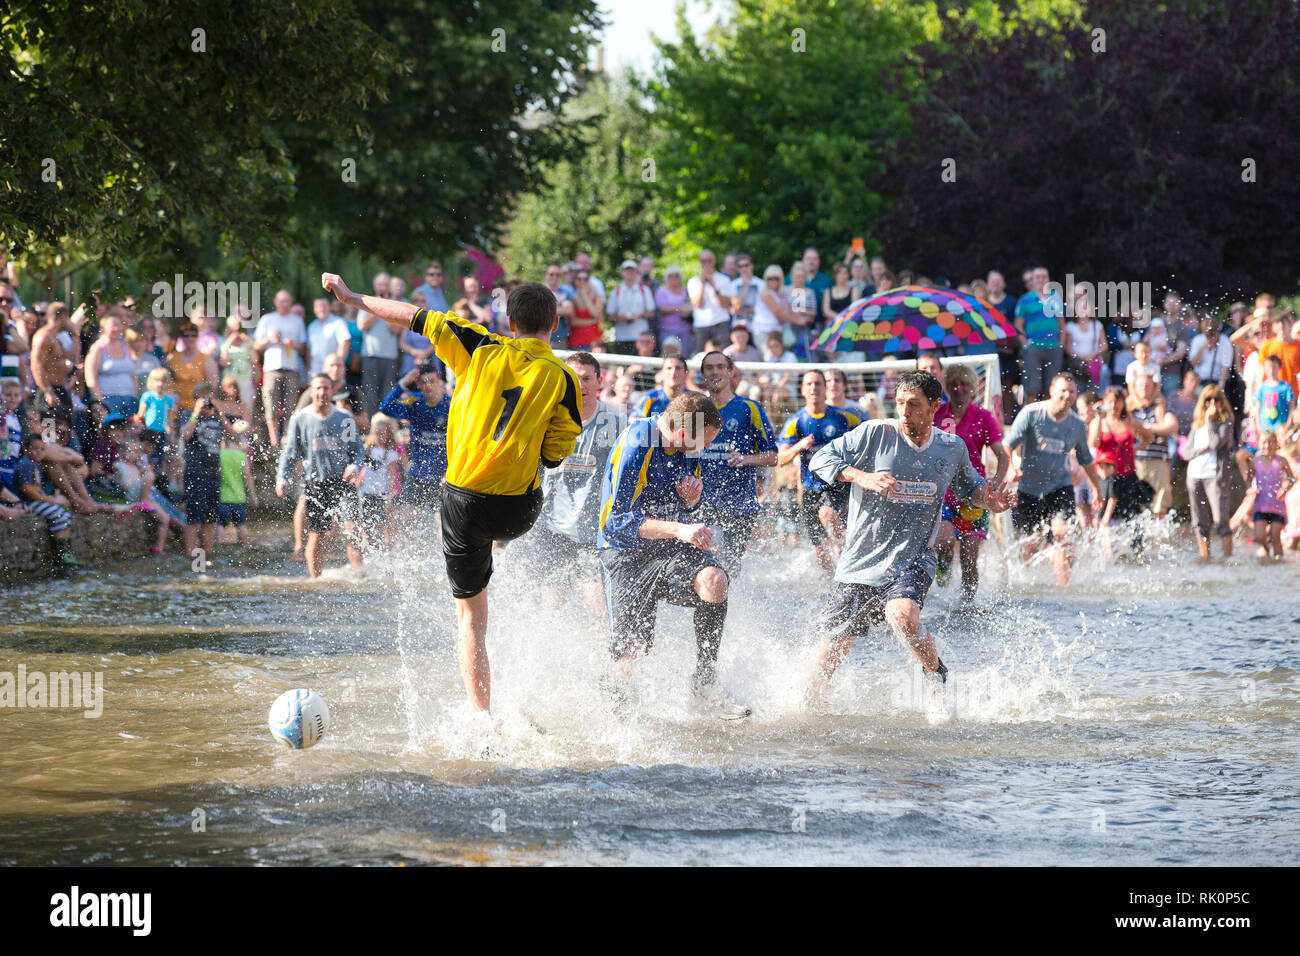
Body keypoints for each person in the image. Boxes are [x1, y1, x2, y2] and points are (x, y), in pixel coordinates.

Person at [321, 273, 582, 713]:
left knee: (471, 621)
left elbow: (412, 316)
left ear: (509, 322)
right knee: (520, 502)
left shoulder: (479, 344)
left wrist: (353, 297)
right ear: (554, 324)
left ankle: (482, 719)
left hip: (463, 503)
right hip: (520, 512)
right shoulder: (563, 378)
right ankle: (504, 555)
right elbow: (555, 456)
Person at [804, 371, 1015, 702]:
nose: (903, 411)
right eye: (899, 403)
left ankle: (935, 673)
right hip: (859, 561)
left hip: (913, 556)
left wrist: (988, 500)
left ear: (933, 408)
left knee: (902, 616)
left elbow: (972, 487)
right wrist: (861, 476)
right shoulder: (875, 433)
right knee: (829, 655)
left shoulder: (951, 447)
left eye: (913, 405)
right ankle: (806, 713)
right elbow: (820, 459)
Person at [598, 391, 748, 719]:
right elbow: (615, 523)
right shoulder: (639, 443)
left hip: (668, 547)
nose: (706, 448)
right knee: (630, 654)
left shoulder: (686, 444)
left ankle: (704, 684)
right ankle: (613, 721)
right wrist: (680, 529)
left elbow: (685, 500)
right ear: (683, 432)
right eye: (704, 441)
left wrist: (692, 500)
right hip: (625, 556)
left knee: (715, 580)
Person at [520, 351, 625, 613]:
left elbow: (630, 475)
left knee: (597, 606)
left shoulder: (617, 424)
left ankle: (603, 652)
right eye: (573, 378)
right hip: (550, 527)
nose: (581, 385)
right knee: (551, 606)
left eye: (587, 378)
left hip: (593, 531)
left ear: (600, 382)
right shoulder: (544, 419)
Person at [1004, 373, 1101, 586]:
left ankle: (1062, 587)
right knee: (1031, 542)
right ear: (1052, 391)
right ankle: (1025, 584)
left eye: (1072, 392)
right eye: (1063, 391)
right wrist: (1011, 466)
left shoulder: (1077, 424)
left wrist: (1097, 490)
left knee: (1060, 534)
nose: (1067, 396)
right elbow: (1006, 444)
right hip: (1029, 488)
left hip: (1060, 486)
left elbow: (1085, 459)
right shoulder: (1031, 413)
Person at [697, 351, 778, 577]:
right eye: (710, 368)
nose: (715, 372)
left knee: (731, 567)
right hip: (702, 500)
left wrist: (745, 459)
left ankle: (730, 609)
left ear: (730, 372)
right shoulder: (695, 409)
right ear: (703, 374)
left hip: (739, 503)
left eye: (720, 367)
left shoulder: (749, 408)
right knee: (706, 563)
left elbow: (772, 456)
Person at [276, 372, 364, 578]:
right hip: (316, 484)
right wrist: (282, 478)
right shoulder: (300, 418)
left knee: (353, 529)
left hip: (343, 481)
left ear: (332, 391)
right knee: (318, 534)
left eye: (326, 388)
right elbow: (289, 454)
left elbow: (357, 450)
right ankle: (316, 580)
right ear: (311, 391)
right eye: (318, 388)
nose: (322, 392)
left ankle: (361, 578)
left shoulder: (344, 418)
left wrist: (354, 466)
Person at [933, 363, 1010, 598]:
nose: (959, 389)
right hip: (943, 494)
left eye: (964, 384)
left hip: (974, 497)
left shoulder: (984, 417)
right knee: (945, 543)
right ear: (947, 387)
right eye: (954, 384)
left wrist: (994, 485)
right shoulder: (937, 414)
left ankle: (967, 606)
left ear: (973, 388)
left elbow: (1002, 456)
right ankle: (943, 567)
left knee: (969, 558)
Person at [777, 370, 861, 574]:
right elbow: (780, 459)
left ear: (825, 388)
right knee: (820, 555)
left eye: (818, 384)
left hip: (837, 484)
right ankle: (833, 585)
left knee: (828, 513)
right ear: (802, 390)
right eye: (809, 384)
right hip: (809, 489)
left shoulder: (844, 418)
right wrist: (799, 446)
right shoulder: (796, 422)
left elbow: (866, 444)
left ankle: (849, 552)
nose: (814, 388)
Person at [379, 361, 451, 519]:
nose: (428, 386)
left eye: (432, 381)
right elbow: (385, 407)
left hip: (443, 476)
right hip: (417, 473)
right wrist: (403, 383)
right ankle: (403, 545)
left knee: (442, 522)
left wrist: (450, 471)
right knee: (407, 519)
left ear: (440, 381)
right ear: (418, 384)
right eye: (423, 382)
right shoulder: (415, 403)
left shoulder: (451, 406)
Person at [181, 383, 243, 560]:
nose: (208, 402)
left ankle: (207, 553)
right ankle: (191, 554)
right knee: (194, 518)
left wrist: (220, 413)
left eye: (211, 398)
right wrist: (196, 413)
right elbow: (185, 435)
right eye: (205, 398)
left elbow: (234, 435)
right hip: (194, 473)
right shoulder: (188, 416)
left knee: (210, 518)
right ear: (196, 399)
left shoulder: (218, 418)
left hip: (213, 474)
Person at [4, 434, 80, 568]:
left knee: (65, 515)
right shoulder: (25, 464)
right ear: (26, 449)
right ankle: (62, 554)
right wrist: (52, 500)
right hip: (27, 503)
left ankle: (64, 551)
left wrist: (52, 498)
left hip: (35, 502)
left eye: (42, 449)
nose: (39, 452)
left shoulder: (35, 465)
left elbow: (37, 489)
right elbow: (27, 490)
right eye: (35, 448)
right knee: (60, 514)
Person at [1089, 385, 1154, 540]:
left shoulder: (1130, 421)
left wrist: (1136, 449)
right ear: (1104, 402)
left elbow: (1149, 437)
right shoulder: (1098, 422)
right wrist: (1099, 417)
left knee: (1134, 519)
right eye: (1110, 401)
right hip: (1105, 478)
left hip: (1127, 476)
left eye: (1118, 401)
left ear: (1123, 403)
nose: (1114, 405)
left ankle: (1136, 557)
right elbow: (1093, 443)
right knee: (1104, 519)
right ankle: (1107, 555)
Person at [1181, 384, 1235, 561]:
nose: (1212, 403)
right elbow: (1186, 452)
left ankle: (1227, 559)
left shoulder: (1225, 422)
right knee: (1199, 522)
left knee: (1221, 521)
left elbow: (1215, 444)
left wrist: (1210, 422)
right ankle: (1206, 558)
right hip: (1195, 475)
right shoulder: (1197, 424)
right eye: (1208, 400)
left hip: (1215, 476)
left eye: (1216, 399)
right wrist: (1201, 449)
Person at [253, 289, 308, 447]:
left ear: (290, 303)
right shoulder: (267, 319)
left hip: (291, 367)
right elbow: (256, 345)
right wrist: (269, 339)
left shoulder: (297, 321)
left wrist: (293, 344)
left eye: (287, 301)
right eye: (281, 301)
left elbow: (303, 348)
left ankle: (287, 436)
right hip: (272, 368)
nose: (284, 304)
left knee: (290, 403)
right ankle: (274, 438)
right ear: (276, 303)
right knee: (271, 403)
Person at [1127, 373, 1179, 520]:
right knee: (1137, 503)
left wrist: (1145, 428)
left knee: (1160, 504)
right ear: (1134, 388)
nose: (1144, 388)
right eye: (1141, 385)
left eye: (1148, 385)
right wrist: (1155, 428)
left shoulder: (1160, 408)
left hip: (1158, 461)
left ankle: (1157, 539)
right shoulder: (1129, 410)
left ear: (1154, 388)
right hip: (1136, 461)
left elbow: (1172, 426)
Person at [1014, 267, 1064, 403]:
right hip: (1034, 348)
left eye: (1044, 276)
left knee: (1052, 388)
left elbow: (1061, 323)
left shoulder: (1056, 298)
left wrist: (1061, 344)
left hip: (1054, 348)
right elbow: (1018, 325)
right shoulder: (1025, 300)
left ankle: (1047, 420)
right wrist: (1025, 344)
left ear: (1048, 279)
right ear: (1033, 280)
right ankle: (1031, 420)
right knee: (1032, 387)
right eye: (1038, 277)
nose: (1041, 280)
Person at [355, 413, 401, 552]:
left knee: (381, 524)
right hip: (366, 492)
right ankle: (369, 549)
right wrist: (357, 484)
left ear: (388, 435)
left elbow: (392, 475)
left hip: (381, 493)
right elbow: (362, 470)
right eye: (376, 433)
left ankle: (384, 550)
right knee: (366, 524)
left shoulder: (391, 453)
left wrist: (390, 495)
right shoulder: (367, 450)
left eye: (382, 434)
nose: (379, 436)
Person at [1250, 429, 1294, 561]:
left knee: (1275, 537)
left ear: (1276, 443)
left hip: (1277, 505)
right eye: (1264, 442)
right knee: (1259, 536)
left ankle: (1279, 563)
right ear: (1259, 443)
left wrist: (1285, 490)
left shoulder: (1281, 461)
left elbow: (1292, 478)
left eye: (1270, 442)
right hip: (1260, 505)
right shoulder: (1255, 461)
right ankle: (1266, 550)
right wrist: (1251, 488)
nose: (1267, 446)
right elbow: (1249, 478)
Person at [84, 311, 139, 416]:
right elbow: (90, 377)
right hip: (108, 400)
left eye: (118, 325)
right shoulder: (97, 348)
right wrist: (99, 402)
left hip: (129, 399)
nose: (117, 328)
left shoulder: (126, 346)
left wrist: (135, 397)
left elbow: (133, 375)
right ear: (103, 328)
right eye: (113, 325)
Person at [687, 250, 735, 357]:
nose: (707, 263)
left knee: (724, 355)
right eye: (704, 261)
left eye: (709, 260)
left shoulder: (723, 279)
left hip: (721, 322)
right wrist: (703, 285)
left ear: (714, 262)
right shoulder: (693, 281)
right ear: (700, 262)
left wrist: (714, 286)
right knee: (699, 356)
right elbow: (697, 304)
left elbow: (726, 304)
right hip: (701, 324)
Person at [605, 260, 656, 355]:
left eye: (632, 270)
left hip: (641, 337)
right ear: (622, 273)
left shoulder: (644, 290)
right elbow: (610, 316)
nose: (629, 273)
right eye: (627, 270)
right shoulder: (615, 292)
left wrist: (639, 315)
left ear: (636, 273)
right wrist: (621, 317)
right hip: (621, 336)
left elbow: (652, 313)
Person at [216, 433, 258, 546]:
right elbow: (248, 476)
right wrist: (253, 496)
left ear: (225, 442)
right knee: (241, 524)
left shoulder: (221, 455)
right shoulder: (242, 456)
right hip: (239, 498)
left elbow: (218, 472)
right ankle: (243, 546)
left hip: (223, 497)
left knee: (220, 524)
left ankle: (218, 547)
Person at [218, 313, 257, 412]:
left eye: (239, 328)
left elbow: (254, 361)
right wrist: (229, 342)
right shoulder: (225, 343)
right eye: (233, 329)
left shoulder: (247, 343)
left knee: (247, 409)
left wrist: (249, 343)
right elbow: (224, 362)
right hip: (230, 381)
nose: (236, 331)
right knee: (230, 408)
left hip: (246, 379)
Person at [635, 354, 689, 420]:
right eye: (669, 368)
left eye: (678, 368)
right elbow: (634, 423)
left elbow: (702, 428)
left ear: (686, 374)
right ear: (662, 373)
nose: (673, 372)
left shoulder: (694, 400)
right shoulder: (649, 398)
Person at [654, 266, 693, 348]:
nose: (674, 278)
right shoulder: (662, 291)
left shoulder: (686, 290)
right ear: (666, 278)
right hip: (667, 330)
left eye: (676, 275)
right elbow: (661, 309)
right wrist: (679, 308)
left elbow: (691, 306)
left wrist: (688, 312)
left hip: (685, 330)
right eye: (670, 276)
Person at [568, 269, 605, 350]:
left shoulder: (597, 297)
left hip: (595, 342)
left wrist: (585, 296)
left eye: (585, 279)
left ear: (589, 281)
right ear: (575, 281)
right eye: (579, 279)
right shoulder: (572, 299)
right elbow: (573, 322)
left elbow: (595, 314)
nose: (582, 281)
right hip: (577, 341)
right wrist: (592, 321)